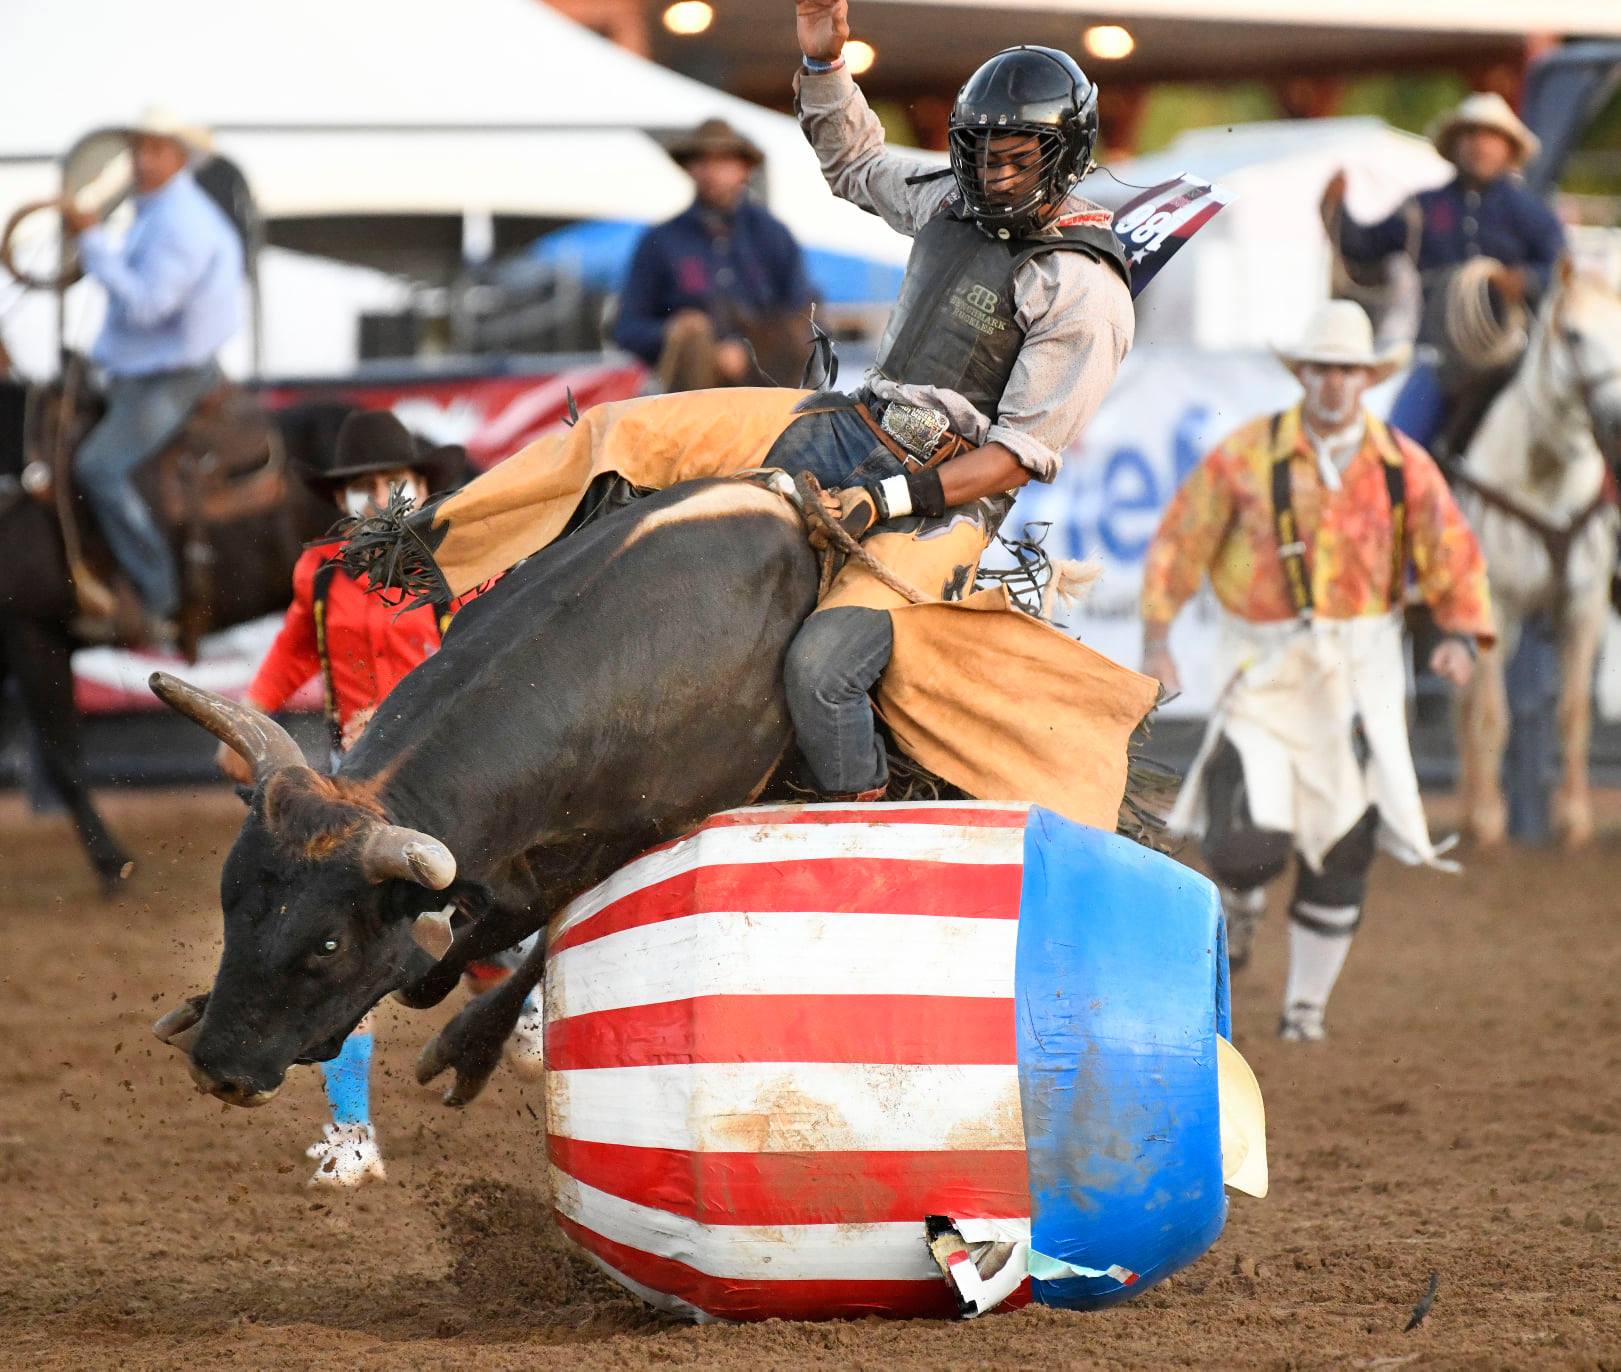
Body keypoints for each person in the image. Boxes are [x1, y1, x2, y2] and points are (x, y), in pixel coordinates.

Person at [345, 0, 1136, 806]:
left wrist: (884, 498)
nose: (992, 173)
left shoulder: (1081, 285)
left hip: (940, 506)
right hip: (848, 419)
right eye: (978, 153)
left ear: (1061, 155)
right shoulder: (946, 196)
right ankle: (415, 553)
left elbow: (1013, 458)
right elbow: (855, 161)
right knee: (616, 433)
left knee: (823, 669)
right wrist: (826, 66)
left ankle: (863, 822)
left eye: (1014, 157)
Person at [1140, 301, 1494, 1042]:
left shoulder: (1402, 465)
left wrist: (1459, 631)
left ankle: (1304, 1010)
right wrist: (1157, 633)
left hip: (1359, 671)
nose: (1334, 384)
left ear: (1365, 379)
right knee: (1242, 836)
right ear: (1302, 374)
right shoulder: (1246, 455)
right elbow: (1181, 539)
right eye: (1322, 369)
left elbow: (1451, 550)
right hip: (1263, 661)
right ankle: (1241, 905)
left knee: (1344, 838)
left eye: (1347, 371)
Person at [222, 410, 543, 1185]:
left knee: (485, 906)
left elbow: (480, 664)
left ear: (422, 484)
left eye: (387, 483)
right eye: (359, 487)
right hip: (347, 787)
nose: (376, 497)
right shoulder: (321, 573)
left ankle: (518, 993)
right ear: (342, 495)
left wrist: (400, 716)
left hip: (445, 774)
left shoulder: (458, 563)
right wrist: (248, 720)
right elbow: (297, 647)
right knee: (340, 944)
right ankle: (351, 1131)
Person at [61, 108, 245, 640]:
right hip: (144, 368)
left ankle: (159, 596)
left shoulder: (183, 223)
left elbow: (146, 306)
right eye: (139, 148)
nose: (142, 160)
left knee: (98, 466)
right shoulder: (159, 210)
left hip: (172, 377)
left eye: (155, 149)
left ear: (179, 157)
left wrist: (93, 243)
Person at [1320, 91, 1566, 457]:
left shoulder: (1531, 212)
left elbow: (1563, 272)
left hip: (1513, 360)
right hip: (1440, 358)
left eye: (1490, 136)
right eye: (1470, 134)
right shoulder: (1422, 207)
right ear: (1456, 144)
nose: (1479, 145)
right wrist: (1335, 209)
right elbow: (1363, 247)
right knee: (1395, 450)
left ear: (1506, 148)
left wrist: (1525, 281)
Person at [613, 118, 813, 392]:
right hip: (688, 395)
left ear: (744, 168)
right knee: (694, 335)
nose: (712, 172)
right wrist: (676, 333)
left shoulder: (773, 236)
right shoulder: (660, 241)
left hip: (766, 387)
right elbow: (628, 328)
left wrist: (748, 351)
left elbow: (804, 318)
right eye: (702, 162)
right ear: (690, 169)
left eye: (723, 162)